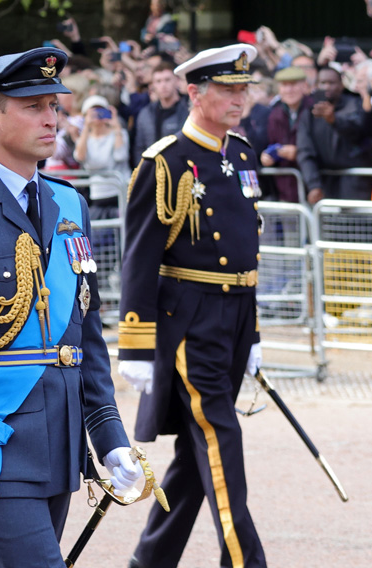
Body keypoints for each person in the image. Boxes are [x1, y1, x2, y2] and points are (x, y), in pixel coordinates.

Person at [0, 46, 142, 567]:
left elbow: (85, 335)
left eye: (54, 104)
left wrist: (108, 435)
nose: (52, 118)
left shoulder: (68, 203)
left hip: (60, 445)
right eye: (33, 105)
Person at [119, 44, 268, 568]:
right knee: (221, 440)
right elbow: (139, 257)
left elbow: (247, 253)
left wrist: (251, 337)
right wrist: (135, 345)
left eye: (243, 89)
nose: (239, 99)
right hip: (189, 320)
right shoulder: (167, 162)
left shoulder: (243, 154)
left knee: (194, 455)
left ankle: (149, 561)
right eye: (227, 89)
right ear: (194, 93)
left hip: (233, 319)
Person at [296, 65, 372, 203]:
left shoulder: (355, 104)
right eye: (323, 83)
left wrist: (334, 120)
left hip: (356, 186)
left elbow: (360, 131)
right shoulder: (309, 114)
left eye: (331, 83)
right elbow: (305, 152)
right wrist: (314, 185)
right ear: (316, 85)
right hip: (324, 186)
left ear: (341, 85)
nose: (327, 87)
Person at [263, 66, 309, 203]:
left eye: (293, 84)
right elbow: (269, 143)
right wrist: (266, 157)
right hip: (284, 191)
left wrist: (299, 153)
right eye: (284, 85)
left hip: (312, 187)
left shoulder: (315, 110)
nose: (289, 90)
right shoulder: (274, 114)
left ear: (304, 86)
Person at [131, 60, 189, 165]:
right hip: (151, 171)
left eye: (167, 80)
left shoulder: (188, 110)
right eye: (158, 81)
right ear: (152, 85)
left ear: (177, 81)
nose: (163, 85)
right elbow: (139, 148)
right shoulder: (145, 113)